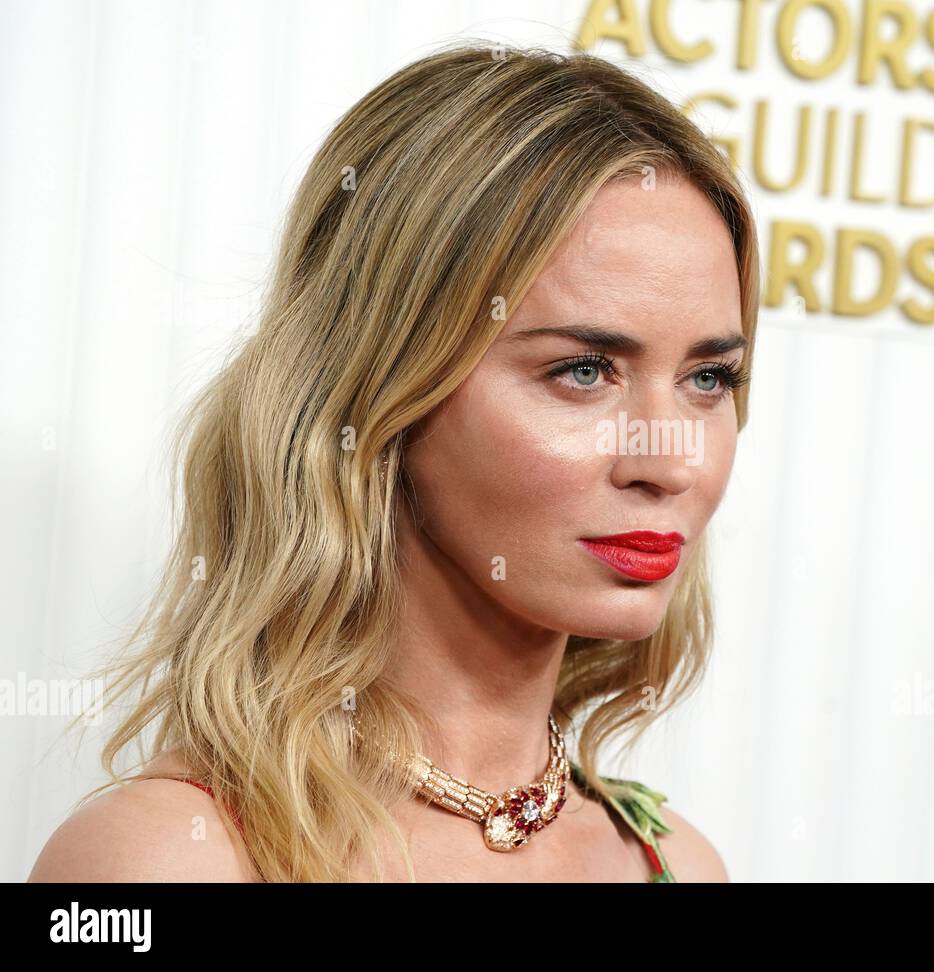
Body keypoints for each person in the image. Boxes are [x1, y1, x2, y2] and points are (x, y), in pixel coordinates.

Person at [28, 41, 759, 883]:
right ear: (380, 387)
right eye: (582, 371)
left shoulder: (675, 862)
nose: (670, 461)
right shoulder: (165, 860)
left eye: (709, 378)